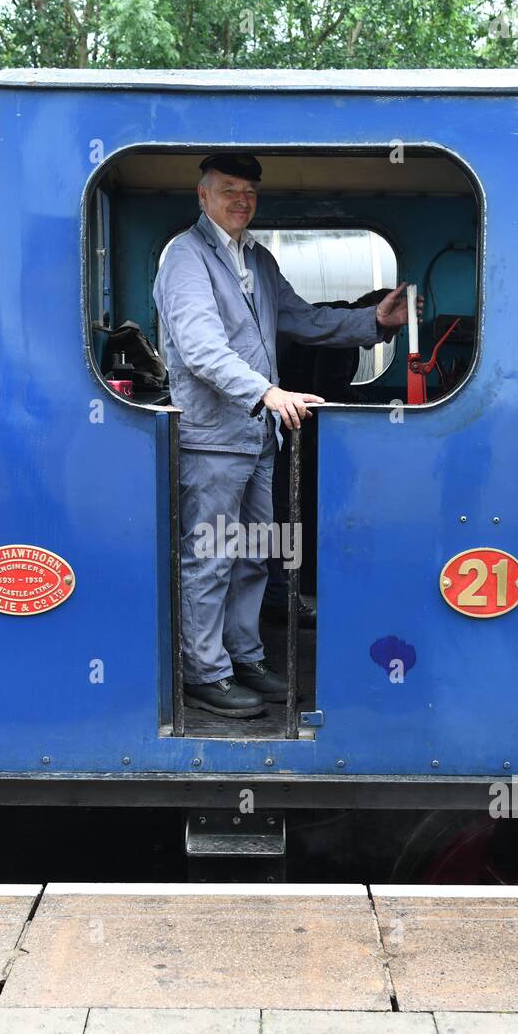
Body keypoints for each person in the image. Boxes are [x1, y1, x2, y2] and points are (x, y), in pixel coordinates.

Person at [153, 152, 419, 718]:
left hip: (257, 436)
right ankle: (204, 671)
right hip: (212, 440)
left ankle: (243, 656)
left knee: (254, 556)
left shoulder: (257, 258)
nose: (241, 200)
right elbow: (200, 348)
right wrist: (267, 392)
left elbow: (302, 318)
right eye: (228, 190)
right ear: (203, 196)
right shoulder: (185, 257)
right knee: (211, 556)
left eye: (249, 191)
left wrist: (374, 323)